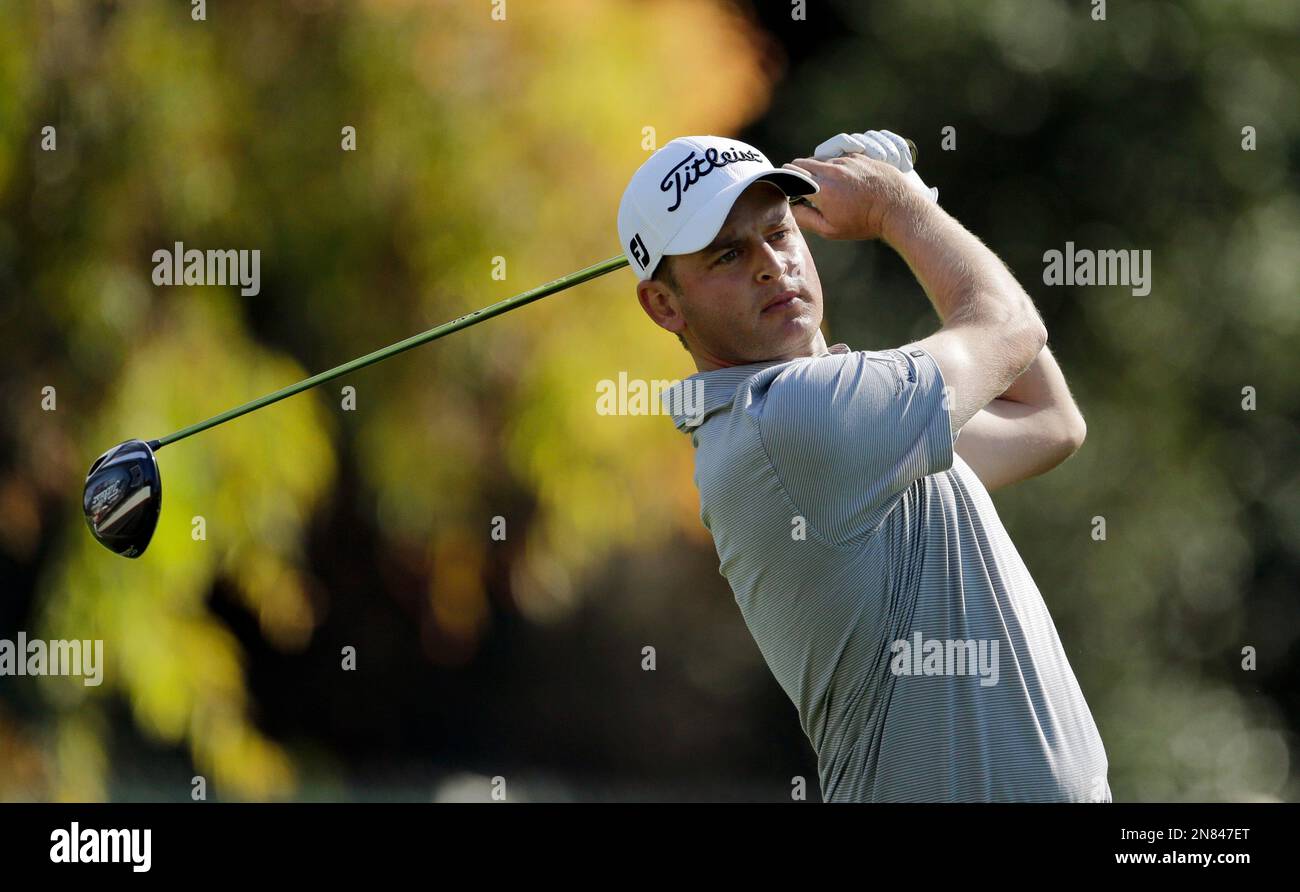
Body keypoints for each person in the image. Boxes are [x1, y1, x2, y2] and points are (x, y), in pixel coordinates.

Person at [617, 132, 1110, 802]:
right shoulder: (791, 421)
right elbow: (1010, 329)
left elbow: (1048, 421)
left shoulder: (839, 427)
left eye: (779, 232)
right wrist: (899, 210)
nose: (771, 265)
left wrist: (912, 205)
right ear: (664, 305)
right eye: (727, 255)